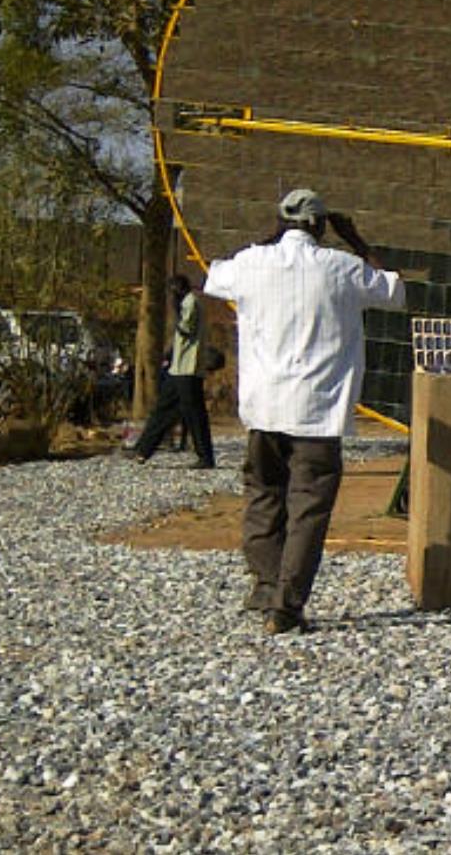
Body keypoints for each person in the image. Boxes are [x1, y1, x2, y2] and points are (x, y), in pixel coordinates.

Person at [202, 188, 403, 634]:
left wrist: (267, 237)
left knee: (263, 497)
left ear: (282, 223)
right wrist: (357, 241)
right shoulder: (344, 269)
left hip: (264, 407)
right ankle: (286, 607)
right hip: (317, 411)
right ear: (320, 226)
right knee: (307, 509)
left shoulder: (252, 264)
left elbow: (214, 277)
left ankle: (265, 585)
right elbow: (394, 289)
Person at [129, 274, 215, 469]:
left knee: (194, 414)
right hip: (179, 367)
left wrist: (176, 311)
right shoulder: (187, 303)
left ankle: (205, 456)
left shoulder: (190, 303)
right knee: (163, 410)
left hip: (189, 368)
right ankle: (143, 449)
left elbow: (185, 329)